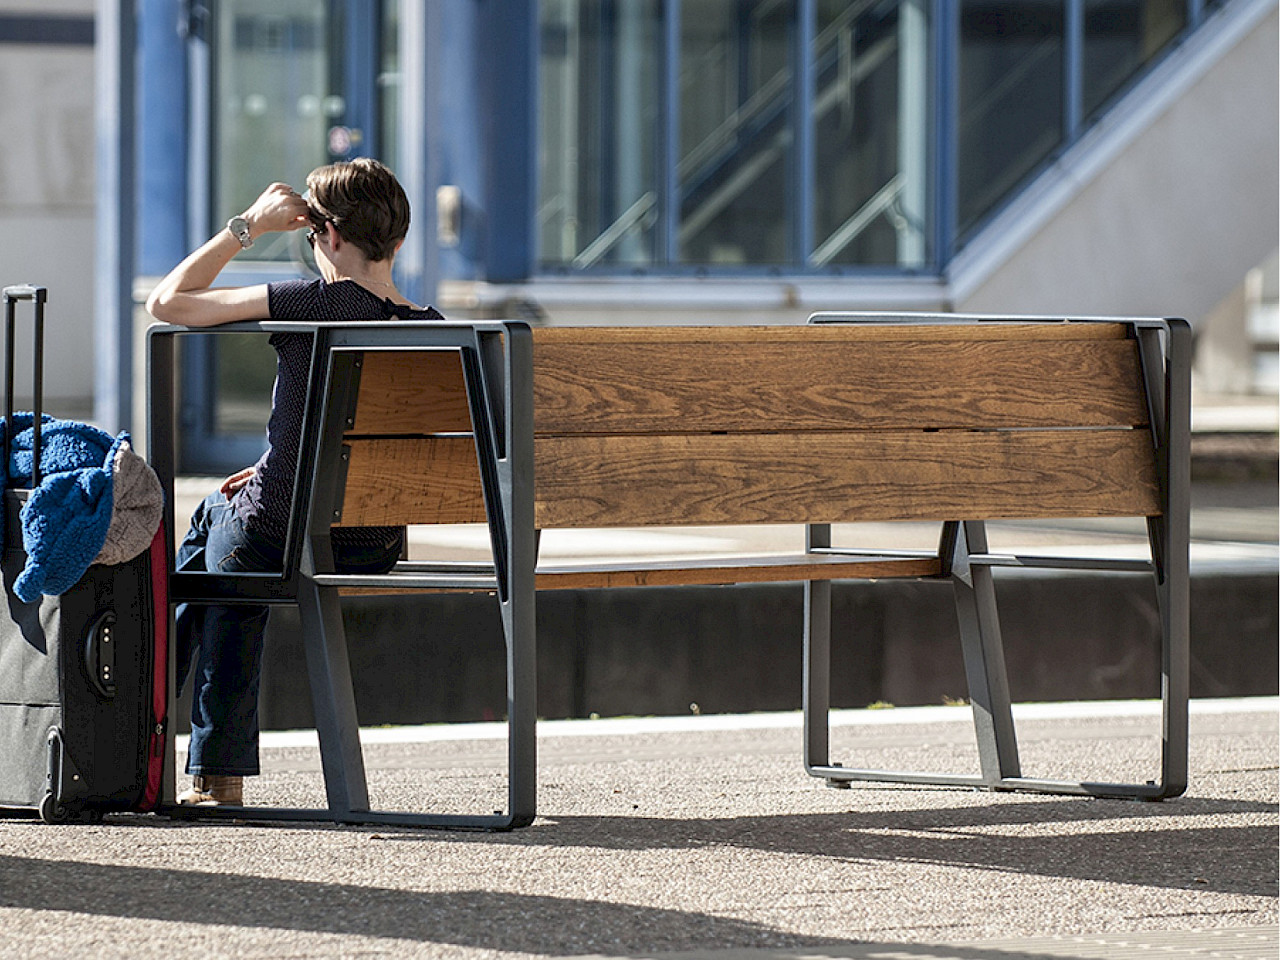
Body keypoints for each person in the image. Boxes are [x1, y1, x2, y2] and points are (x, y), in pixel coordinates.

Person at [146, 158, 441, 806]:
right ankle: (162, 721)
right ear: (397, 241)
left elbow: (165, 302)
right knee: (221, 526)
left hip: (281, 533)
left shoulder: (315, 302)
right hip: (373, 540)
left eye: (311, 235)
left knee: (220, 541)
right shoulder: (434, 327)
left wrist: (245, 226)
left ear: (329, 237)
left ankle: (159, 728)